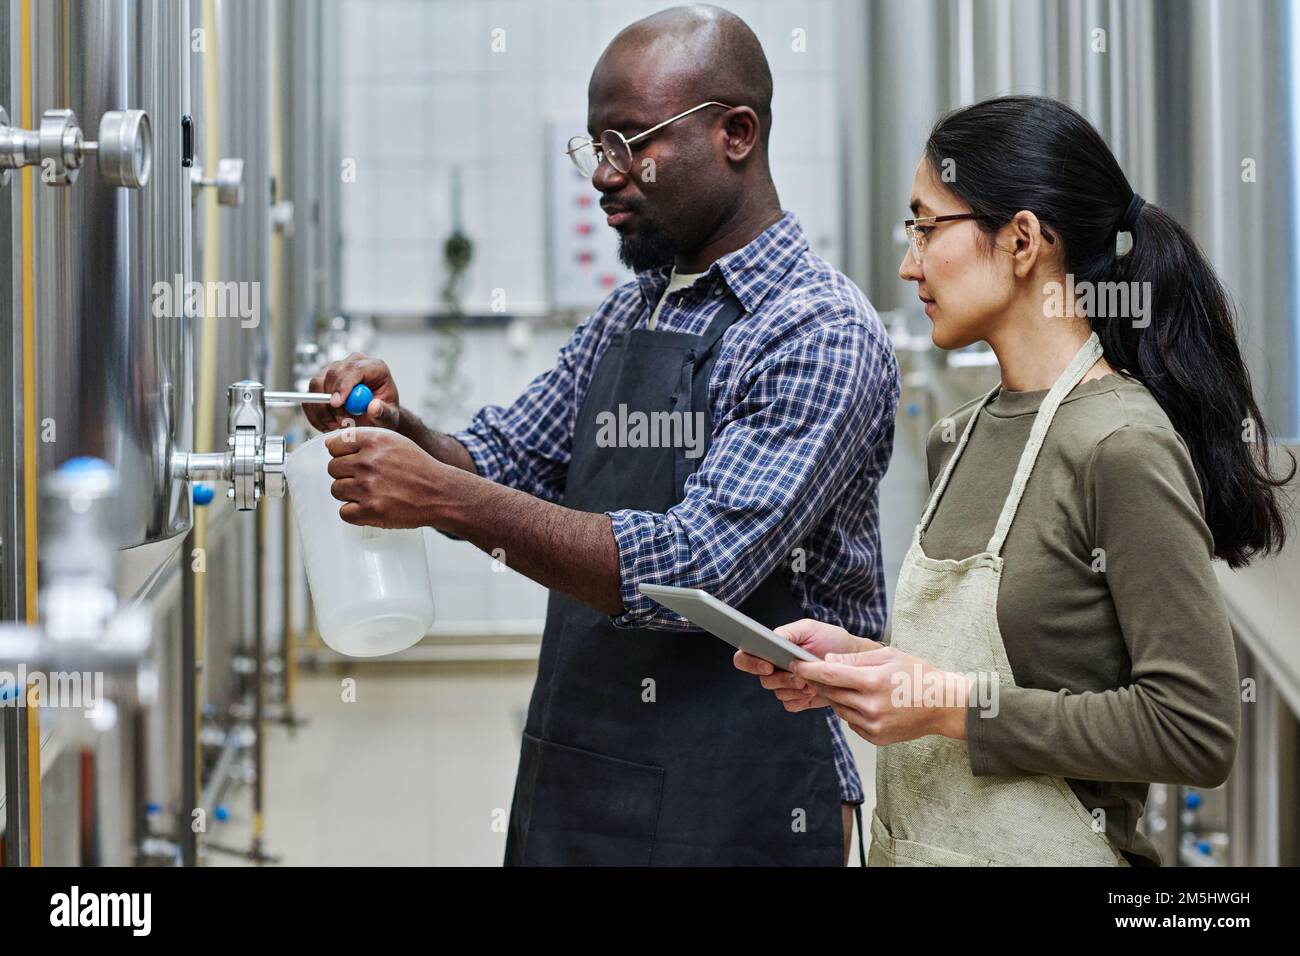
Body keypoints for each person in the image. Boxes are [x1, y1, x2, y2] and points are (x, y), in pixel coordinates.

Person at [305, 4, 898, 865]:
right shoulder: (632, 309)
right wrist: (399, 429)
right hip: (583, 766)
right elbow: (508, 460)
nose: (603, 176)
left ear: (736, 133)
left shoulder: (816, 329)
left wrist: (438, 496)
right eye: (594, 146)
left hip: (744, 790)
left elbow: (698, 569)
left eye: (632, 141)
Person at [736, 95, 1294, 866]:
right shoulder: (958, 438)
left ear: (1023, 239)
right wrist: (863, 662)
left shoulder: (1120, 444)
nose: (909, 262)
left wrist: (947, 707)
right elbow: (1018, 657)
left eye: (926, 226)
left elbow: (1193, 729)